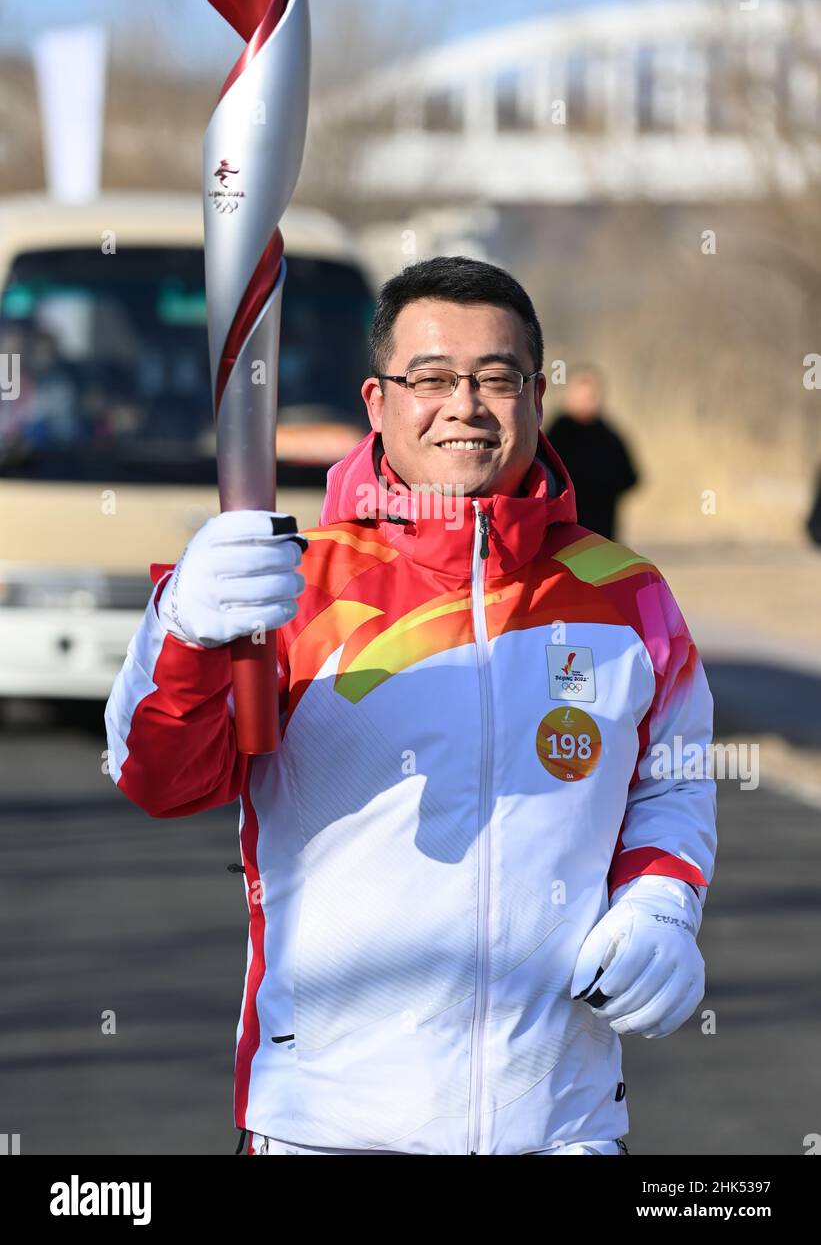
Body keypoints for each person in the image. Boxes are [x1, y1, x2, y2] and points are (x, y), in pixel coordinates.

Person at [104, 256, 717, 1157]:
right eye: (428, 378)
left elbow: (670, 782)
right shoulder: (292, 586)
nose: (463, 404)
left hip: (561, 1125)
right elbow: (161, 776)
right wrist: (186, 631)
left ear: (536, 396)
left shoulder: (622, 594)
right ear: (377, 399)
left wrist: (661, 905)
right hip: (328, 1127)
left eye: (495, 377)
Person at [545, 364, 639, 540]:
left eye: (593, 395)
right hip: (562, 535)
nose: (589, 400)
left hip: (603, 535)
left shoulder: (609, 435)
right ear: (569, 395)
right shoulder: (556, 435)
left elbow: (630, 478)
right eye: (584, 395)